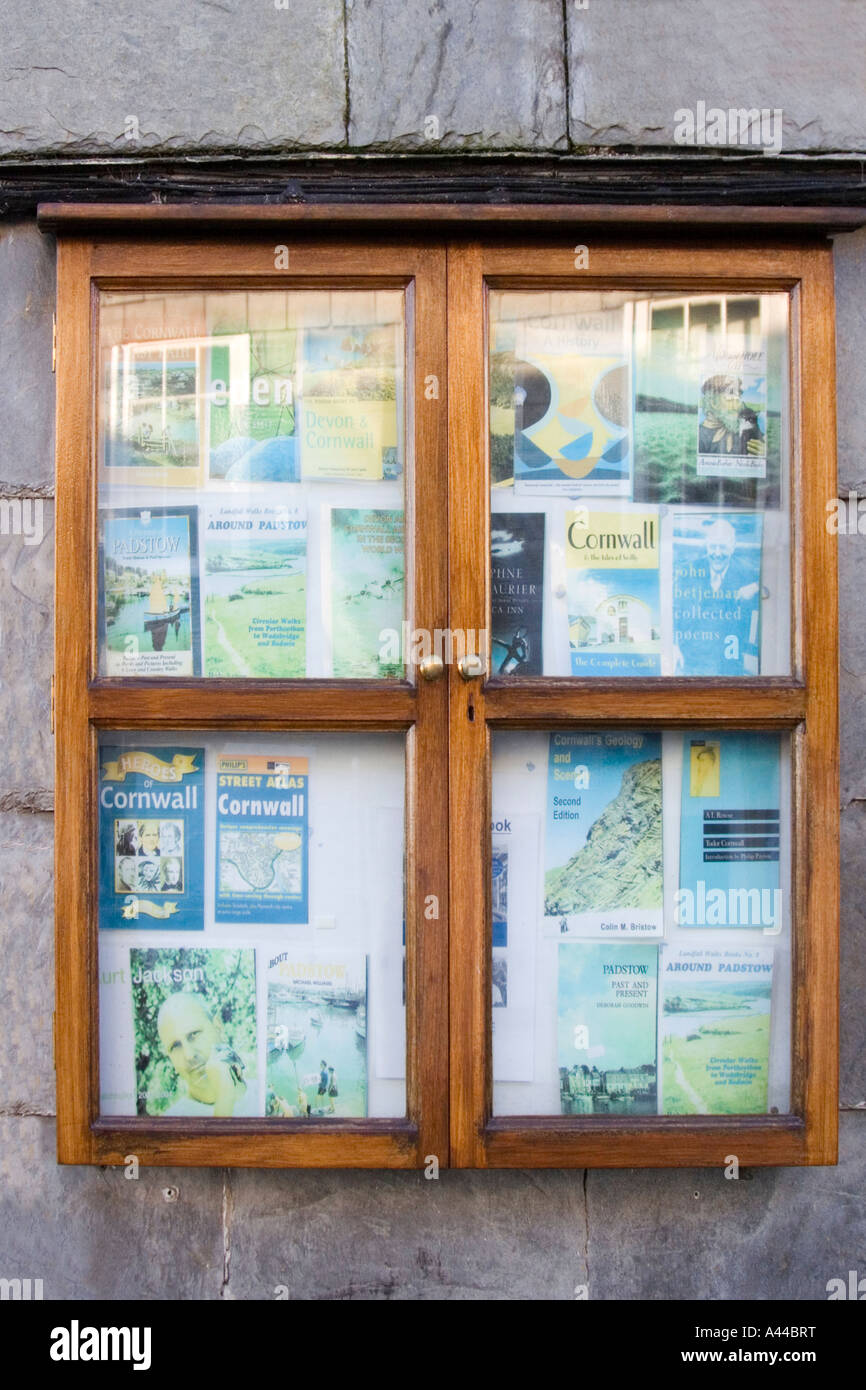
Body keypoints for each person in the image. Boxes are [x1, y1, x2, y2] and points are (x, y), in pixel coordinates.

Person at [156, 992, 252, 1117]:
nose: (189, 1055)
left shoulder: (265, 1096)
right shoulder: (172, 1121)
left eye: (194, 1035)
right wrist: (225, 1096)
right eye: (176, 1046)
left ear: (218, 1026)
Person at [698, 374, 764, 458]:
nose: (737, 401)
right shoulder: (701, 436)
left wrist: (763, 452)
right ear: (713, 402)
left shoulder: (744, 428)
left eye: (739, 395)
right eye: (731, 394)